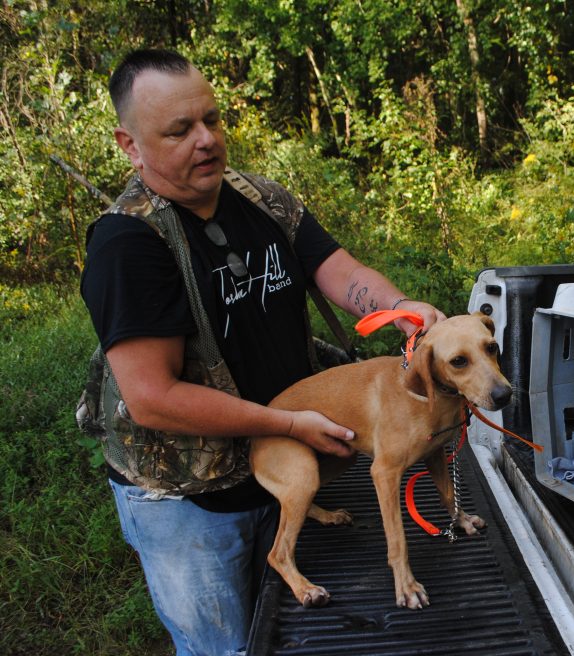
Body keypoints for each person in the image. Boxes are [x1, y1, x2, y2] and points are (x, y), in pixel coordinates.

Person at [80, 48, 445, 656]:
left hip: (284, 465)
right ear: (130, 144)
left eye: (212, 120)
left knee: (288, 638)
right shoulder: (128, 245)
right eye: (180, 130)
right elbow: (152, 399)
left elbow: (337, 271)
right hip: (191, 502)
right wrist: (291, 424)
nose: (206, 140)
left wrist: (406, 312)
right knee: (223, 647)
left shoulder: (259, 197)